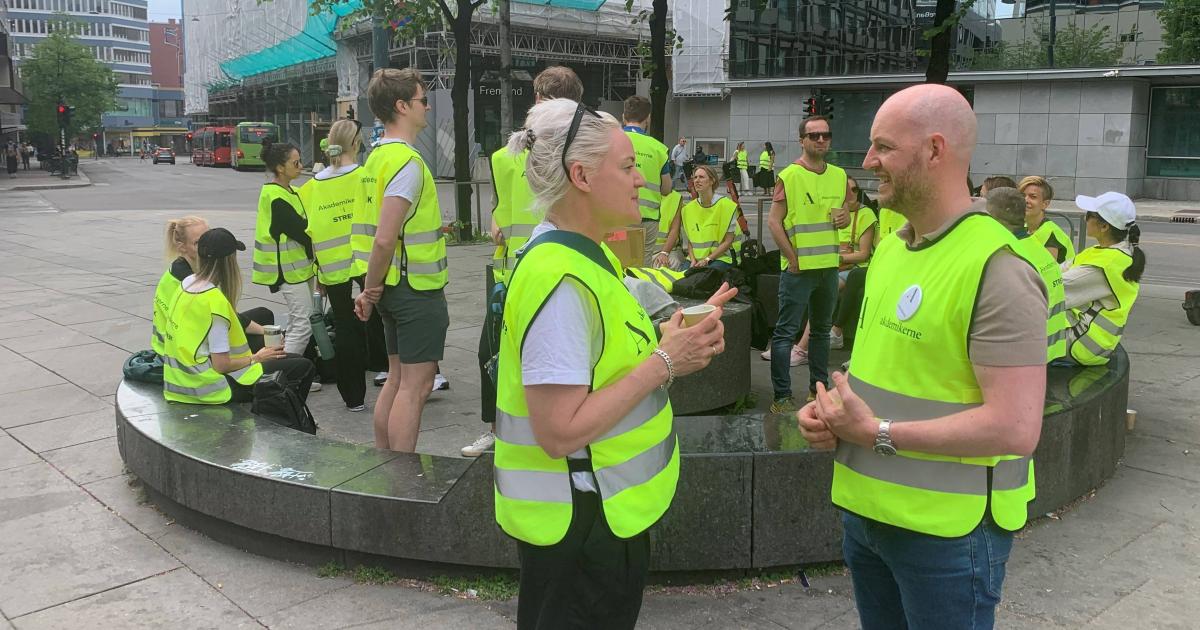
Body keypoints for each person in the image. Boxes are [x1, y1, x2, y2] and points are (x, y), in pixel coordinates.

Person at [798, 84, 1046, 630]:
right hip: (867, 516)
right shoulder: (891, 250)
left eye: (883, 147)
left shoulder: (998, 269)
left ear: (935, 150)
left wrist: (877, 433)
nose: (867, 162)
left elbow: (1016, 427)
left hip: (949, 538)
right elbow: (882, 375)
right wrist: (834, 416)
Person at [495, 97, 736, 630]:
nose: (641, 180)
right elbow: (558, 431)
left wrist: (668, 337)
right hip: (582, 526)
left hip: (594, 516)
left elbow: (605, 356)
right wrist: (665, 363)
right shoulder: (560, 279)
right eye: (627, 167)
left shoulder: (588, 254)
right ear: (580, 175)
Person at [468, 66, 586, 458]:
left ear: (537, 100)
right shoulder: (521, 155)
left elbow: (498, 214)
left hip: (524, 272)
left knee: (500, 352)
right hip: (546, 270)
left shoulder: (509, 156)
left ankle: (504, 429)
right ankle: (537, 429)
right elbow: (501, 210)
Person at [353, 68, 450, 453]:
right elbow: (384, 238)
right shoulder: (406, 162)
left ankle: (387, 465)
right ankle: (403, 480)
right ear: (402, 106)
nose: (427, 106)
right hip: (414, 289)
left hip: (393, 287)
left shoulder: (375, 158)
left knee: (396, 379)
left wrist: (371, 289)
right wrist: (369, 291)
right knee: (416, 386)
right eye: (422, 100)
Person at [162, 228, 315, 405]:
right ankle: (286, 416)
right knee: (304, 367)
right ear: (230, 261)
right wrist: (256, 358)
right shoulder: (214, 301)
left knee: (289, 358)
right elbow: (221, 366)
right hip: (209, 388)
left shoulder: (186, 283)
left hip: (179, 382)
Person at [300, 119, 388, 412]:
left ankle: (353, 397)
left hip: (330, 266)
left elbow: (311, 233)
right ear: (357, 143)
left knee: (344, 325)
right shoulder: (366, 177)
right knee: (380, 318)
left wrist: (317, 275)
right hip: (367, 259)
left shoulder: (311, 187)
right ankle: (390, 375)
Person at [766, 115, 852, 411]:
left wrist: (846, 217)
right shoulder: (789, 175)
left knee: (820, 331)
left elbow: (844, 215)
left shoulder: (839, 176)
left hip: (828, 268)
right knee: (786, 333)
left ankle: (818, 391)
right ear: (801, 140)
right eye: (813, 136)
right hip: (799, 271)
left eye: (825, 135)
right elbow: (774, 223)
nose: (820, 140)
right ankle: (781, 397)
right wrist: (792, 260)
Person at [762, 176, 874, 363]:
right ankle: (786, 343)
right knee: (802, 287)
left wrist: (837, 258)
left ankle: (801, 348)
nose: (851, 194)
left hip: (852, 267)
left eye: (854, 190)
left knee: (822, 291)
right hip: (826, 263)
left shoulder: (865, 215)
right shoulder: (833, 211)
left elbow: (863, 255)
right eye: (847, 191)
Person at [153, 216, 275, 357]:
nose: (207, 246)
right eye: (198, 243)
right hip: (182, 350)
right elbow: (222, 316)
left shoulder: (187, 269)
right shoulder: (188, 282)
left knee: (263, 314)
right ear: (182, 247)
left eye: (207, 238)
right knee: (265, 341)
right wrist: (266, 333)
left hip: (189, 336)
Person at [251, 140, 320, 387]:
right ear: (280, 167)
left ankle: (289, 375)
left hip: (296, 269)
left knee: (297, 321)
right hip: (288, 272)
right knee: (302, 324)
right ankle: (286, 378)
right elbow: (303, 230)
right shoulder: (276, 196)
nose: (300, 166)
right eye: (295, 162)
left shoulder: (287, 191)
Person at [1062, 191, 1146, 366]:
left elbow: (1054, 289)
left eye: (1089, 215)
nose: (1085, 219)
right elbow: (1059, 271)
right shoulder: (1104, 252)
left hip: (1081, 344)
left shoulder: (1106, 264)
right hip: (1086, 336)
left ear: (1104, 226)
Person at [986, 187, 1068, 362]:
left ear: (995, 219)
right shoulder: (1034, 246)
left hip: (1027, 356)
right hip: (1050, 349)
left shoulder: (1009, 257)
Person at [621, 95, 672, 266]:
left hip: (617, 216)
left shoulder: (610, 141)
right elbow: (666, 188)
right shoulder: (658, 148)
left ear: (623, 116)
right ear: (648, 118)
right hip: (648, 220)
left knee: (617, 263)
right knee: (642, 267)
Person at [681, 165, 738, 271]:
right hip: (695, 259)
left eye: (701, 177)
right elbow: (690, 241)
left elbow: (728, 241)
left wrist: (708, 259)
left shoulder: (726, 205)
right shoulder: (687, 209)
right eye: (695, 177)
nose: (697, 180)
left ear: (712, 181)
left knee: (706, 277)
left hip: (720, 258)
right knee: (681, 277)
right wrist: (693, 260)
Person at [1019, 175, 1075, 264]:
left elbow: (1047, 274)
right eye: (1022, 195)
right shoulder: (1023, 227)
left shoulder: (1050, 234)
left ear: (1045, 204)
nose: (1025, 200)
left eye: (1033, 196)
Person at [650, 189, 686, 271]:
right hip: (644, 250)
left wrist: (664, 253)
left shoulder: (675, 198)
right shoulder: (641, 193)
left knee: (670, 265)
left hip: (668, 250)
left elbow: (674, 230)